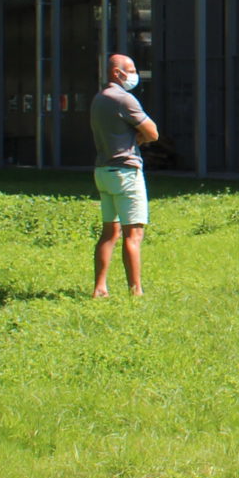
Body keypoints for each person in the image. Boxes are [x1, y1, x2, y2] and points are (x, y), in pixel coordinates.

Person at [89, 53, 157, 298]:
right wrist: (137, 139)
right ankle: (135, 291)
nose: (134, 74)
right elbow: (153, 132)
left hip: (103, 170)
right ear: (117, 73)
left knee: (110, 232)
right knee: (134, 234)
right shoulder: (124, 99)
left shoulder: (99, 99)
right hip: (126, 172)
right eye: (131, 69)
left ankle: (99, 288)